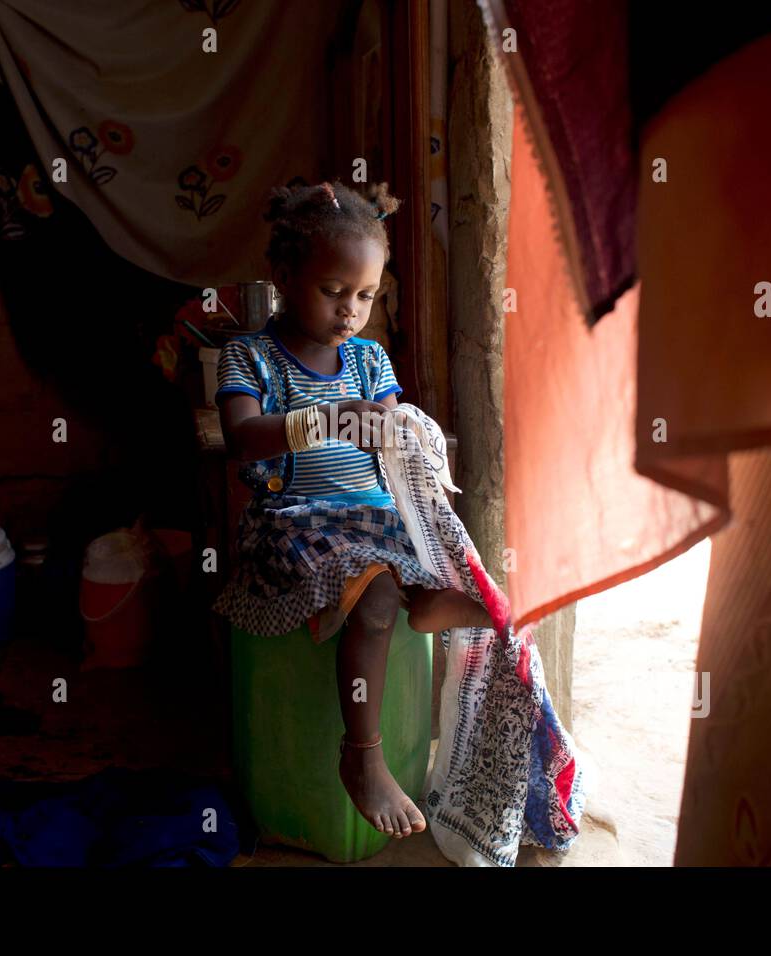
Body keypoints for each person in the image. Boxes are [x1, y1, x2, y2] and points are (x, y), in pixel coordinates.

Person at [213, 179, 491, 840]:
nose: (350, 311)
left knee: (463, 568)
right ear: (283, 275)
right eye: (333, 291)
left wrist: (402, 432)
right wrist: (327, 419)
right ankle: (362, 758)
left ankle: (427, 598)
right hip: (298, 519)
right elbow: (242, 438)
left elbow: (396, 446)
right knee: (371, 593)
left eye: (365, 296)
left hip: (374, 515)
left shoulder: (369, 359)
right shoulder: (248, 356)